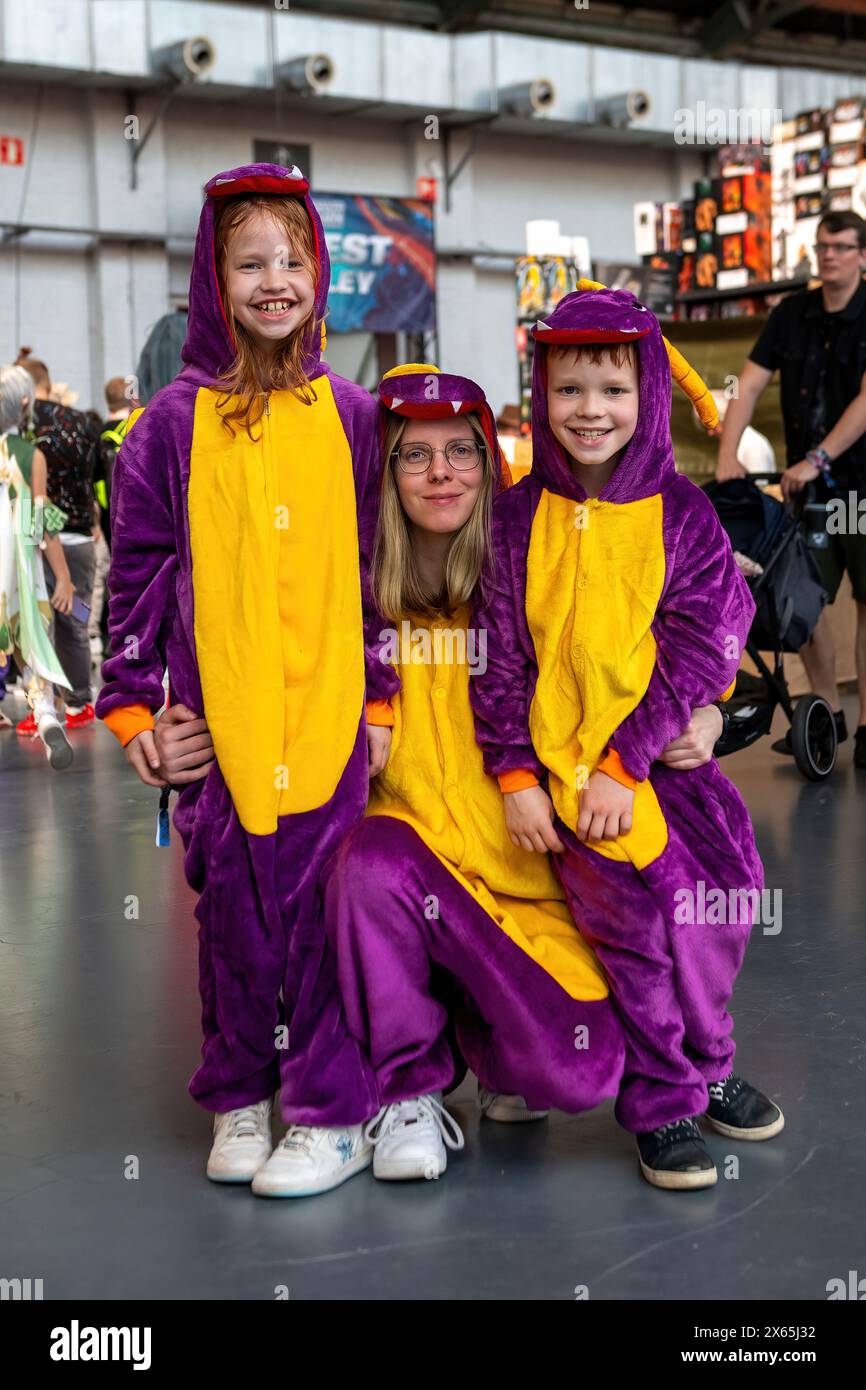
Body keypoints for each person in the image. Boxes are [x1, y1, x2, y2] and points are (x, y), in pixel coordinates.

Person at [154, 363, 726, 1188]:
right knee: (368, 867)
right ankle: (406, 1088)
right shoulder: (342, 601)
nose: (441, 474)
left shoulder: (533, 581)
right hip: (393, 883)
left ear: (490, 461)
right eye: (413, 456)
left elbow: (638, 655)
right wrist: (178, 730)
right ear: (382, 471)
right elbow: (250, 668)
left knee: (583, 1069)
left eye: (461, 451)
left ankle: (480, 1043)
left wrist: (706, 716)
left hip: (524, 895)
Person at [96, 162, 397, 1197]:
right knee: (229, 914)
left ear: (320, 273)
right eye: (250, 263)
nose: (276, 281)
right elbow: (136, 577)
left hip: (329, 721)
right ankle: (238, 1093)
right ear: (212, 279)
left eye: (293, 260)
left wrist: (383, 697)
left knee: (321, 914)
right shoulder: (170, 425)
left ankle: (330, 1113)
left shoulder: (353, 416)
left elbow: (380, 574)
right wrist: (133, 712)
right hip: (221, 728)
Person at [472, 284, 783, 1191]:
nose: (590, 411)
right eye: (569, 390)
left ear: (646, 390)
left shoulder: (682, 513)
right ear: (542, 393)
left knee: (721, 902)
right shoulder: (515, 518)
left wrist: (637, 752)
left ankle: (710, 1062)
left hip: (660, 769)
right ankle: (662, 1102)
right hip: (573, 783)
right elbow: (498, 663)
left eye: (612, 390)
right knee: (636, 934)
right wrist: (516, 775)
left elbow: (701, 644)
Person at [715, 210, 866, 769]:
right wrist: (729, 451)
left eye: (842, 246)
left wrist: (817, 458)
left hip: (859, 488)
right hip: (809, 491)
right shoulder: (790, 314)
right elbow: (746, 384)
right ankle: (827, 714)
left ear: (862, 255)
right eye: (823, 245)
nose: (830, 255)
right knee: (808, 601)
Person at [14, 347, 99, 731]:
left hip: (34, 537)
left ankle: (43, 706)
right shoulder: (83, 422)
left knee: (34, 624)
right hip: (80, 539)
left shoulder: (24, 430)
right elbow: (98, 477)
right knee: (76, 618)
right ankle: (80, 702)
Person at [0, 364, 74, 766]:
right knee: (32, 642)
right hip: (21, 568)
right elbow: (42, 523)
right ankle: (44, 712)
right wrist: (63, 577)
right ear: (25, 404)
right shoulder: (31, 457)